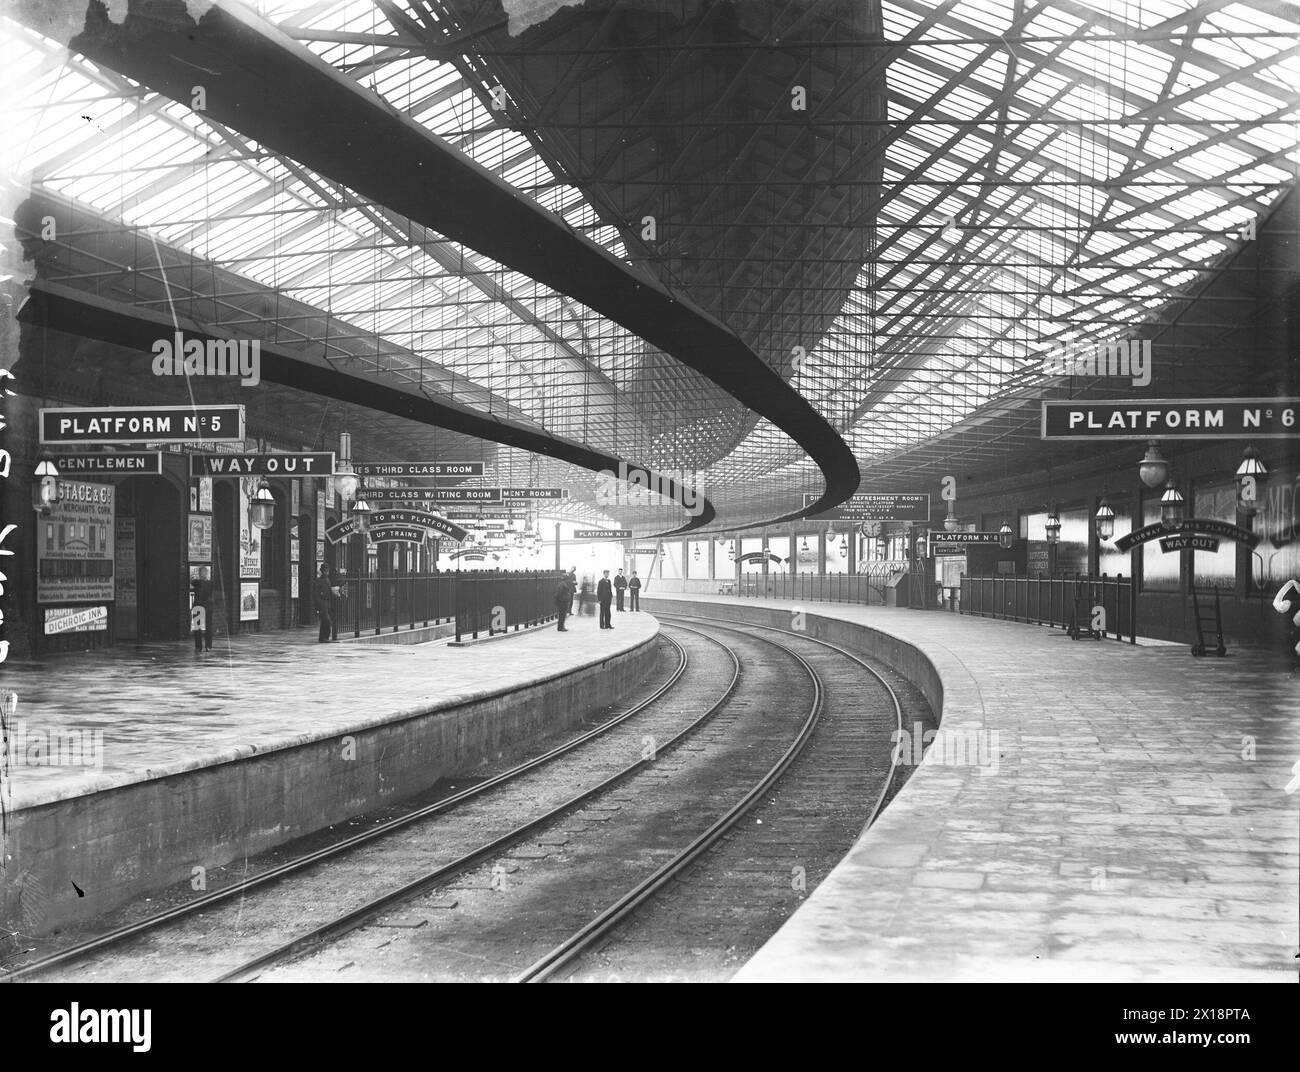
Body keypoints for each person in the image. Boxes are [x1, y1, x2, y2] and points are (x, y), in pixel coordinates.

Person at [190, 566, 214, 653]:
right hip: (206, 606)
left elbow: (192, 581)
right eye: (202, 573)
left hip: (200, 606)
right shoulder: (209, 583)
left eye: (203, 573)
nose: (203, 574)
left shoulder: (197, 582)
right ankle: (207, 646)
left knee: (199, 627)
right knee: (206, 627)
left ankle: (199, 646)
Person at [313, 563, 334, 643]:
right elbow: (316, 594)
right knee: (327, 621)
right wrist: (320, 603)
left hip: (327, 603)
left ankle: (323, 637)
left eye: (327, 571)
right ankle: (325, 637)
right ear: (322, 571)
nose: (327, 573)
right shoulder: (318, 581)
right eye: (325, 571)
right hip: (322, 603)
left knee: (324, 621)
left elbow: (328, 591)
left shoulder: (327, 580)